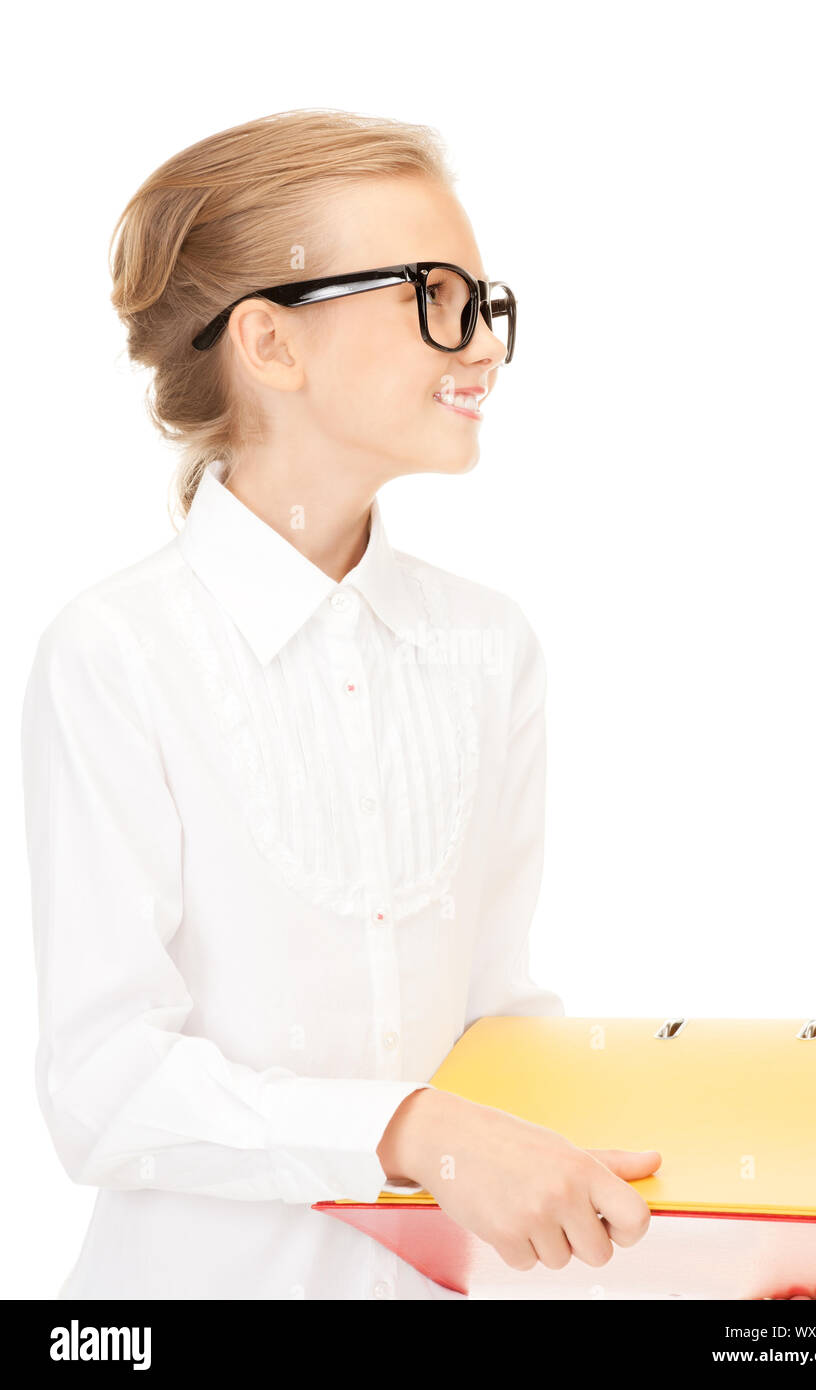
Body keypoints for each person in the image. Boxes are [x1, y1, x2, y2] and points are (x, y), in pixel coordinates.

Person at [20, 108, 661, 1301]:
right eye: (435, 295)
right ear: (268, 342)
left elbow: (498, 1028)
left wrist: (714, 1238)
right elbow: (103, 1088)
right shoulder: (115, 654)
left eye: (485, 302)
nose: (481, 346)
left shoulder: (488, 645)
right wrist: (411, 1129)